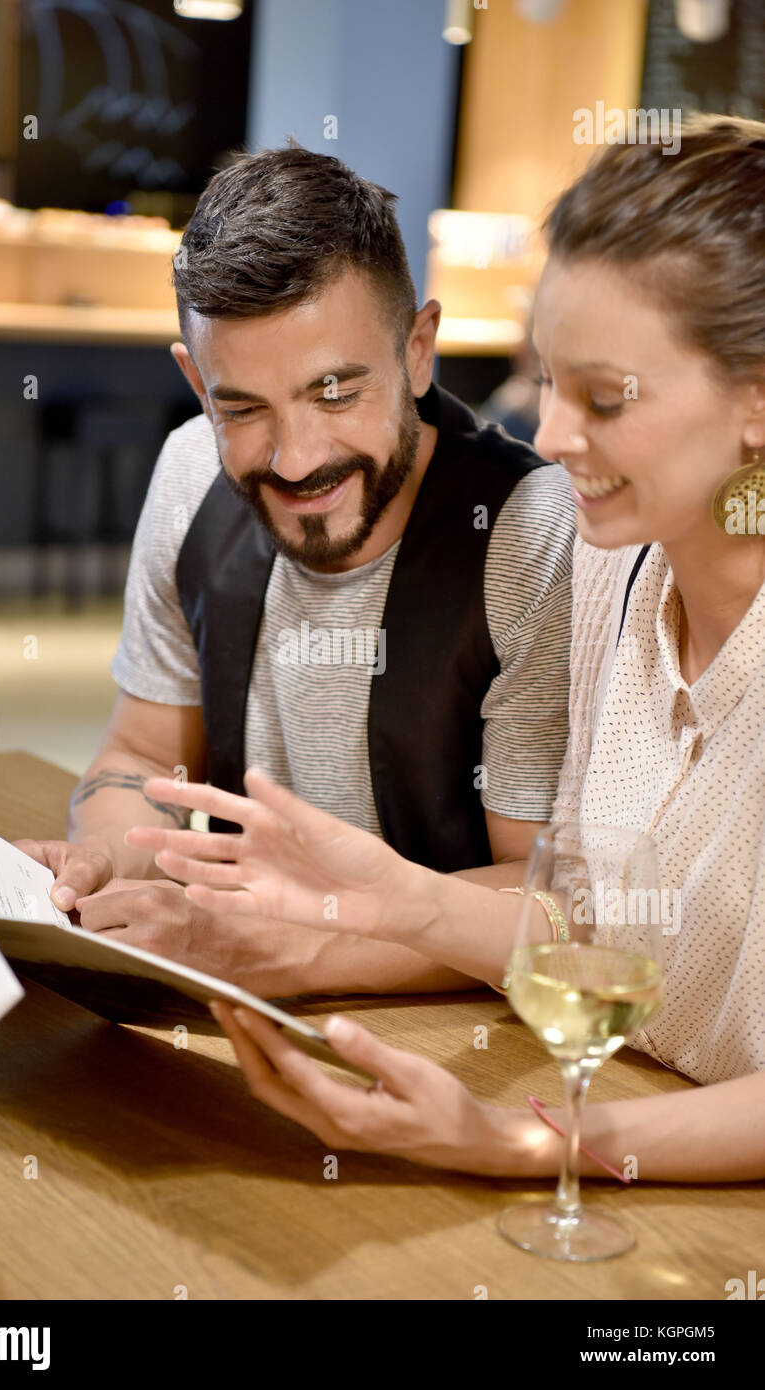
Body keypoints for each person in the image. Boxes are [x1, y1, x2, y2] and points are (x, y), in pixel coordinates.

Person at [127, 116, 765, 1182]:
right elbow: (595, 935)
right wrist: (393, 897)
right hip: (624, 1116)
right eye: (545, 381)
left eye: (602, 397)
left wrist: (519, 1141)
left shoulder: (566, 542)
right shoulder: (619, 567)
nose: (551, 438)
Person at [17, 145, 576, 999]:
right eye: (240, 408)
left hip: (459, 1044)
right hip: (235, 1014)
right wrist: (109, 864)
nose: (294, 458)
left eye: (335, 393)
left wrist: (269, 953)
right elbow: (140, 755)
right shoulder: (188, 474)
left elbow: (543, 897)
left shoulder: (530, 534)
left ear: (418, 351)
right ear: (195, 381)